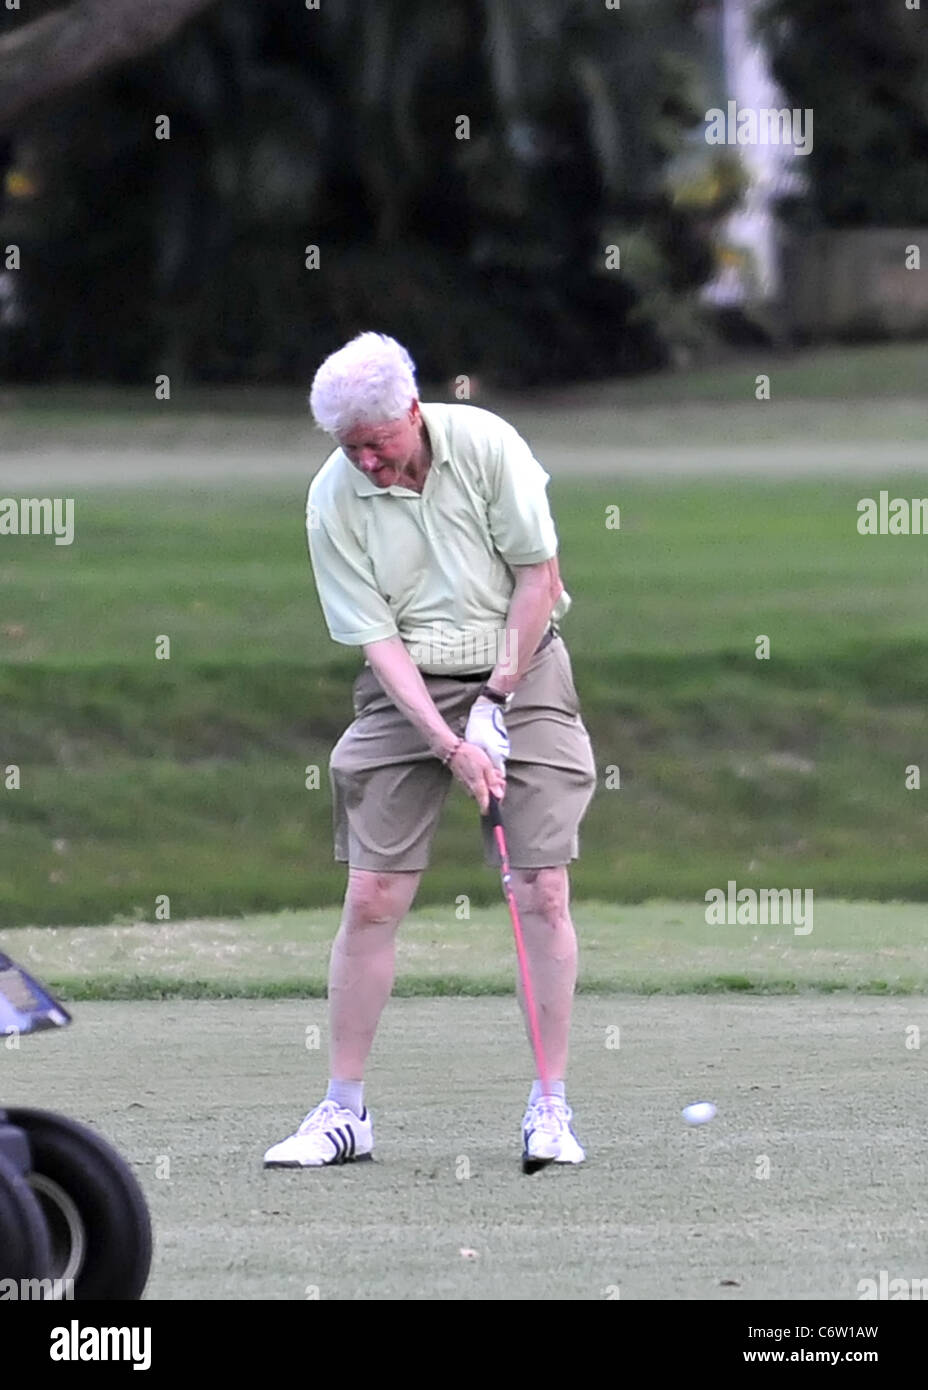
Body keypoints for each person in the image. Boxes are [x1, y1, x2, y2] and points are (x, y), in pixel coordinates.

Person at [263, 332, 596, 1170]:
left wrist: (495, 700)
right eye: (351, 450)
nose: (368, 463)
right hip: (406, 684)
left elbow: (538, 578)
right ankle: (344, 1114)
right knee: (373, 893)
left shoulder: (488, 446)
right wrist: (452, 742)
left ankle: (550, 1109)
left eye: (379, 444)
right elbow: (376, 642)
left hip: (523, 663)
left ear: (412, 413)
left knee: (542, 888)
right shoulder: (331, 499)